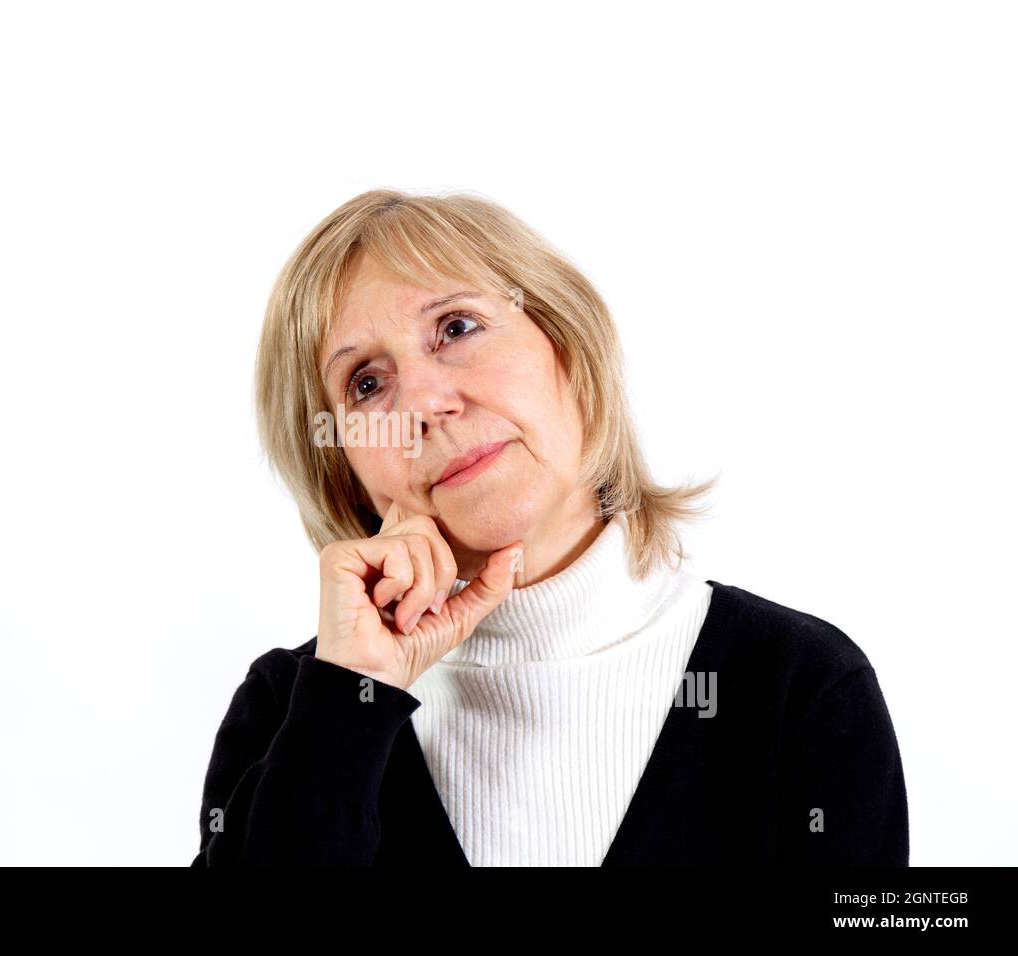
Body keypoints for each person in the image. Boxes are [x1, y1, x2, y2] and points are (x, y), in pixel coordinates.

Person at [191, 188, 909, 866]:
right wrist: (356, 693)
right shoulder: (293, 712)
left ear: (567, 346)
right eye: (367, 384)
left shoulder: (800, 686)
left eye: (456, 328)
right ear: (341, 466)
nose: (427, 404)